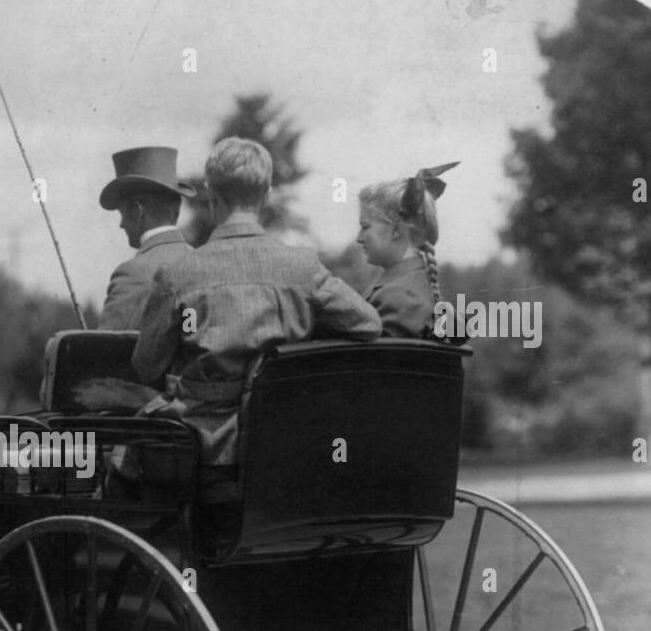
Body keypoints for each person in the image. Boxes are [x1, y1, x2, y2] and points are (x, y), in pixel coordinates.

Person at [132, 137, 382, 469]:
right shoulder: (303, 268)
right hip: (285, 443)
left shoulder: (177, 276)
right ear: (265, 196)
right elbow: (369, 324)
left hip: (202, 454)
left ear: (211, 197)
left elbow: (146, 367)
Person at [98, 146, 196, 331]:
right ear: (177, 209)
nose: (121, 225)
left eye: (122, 213)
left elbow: (105, 351)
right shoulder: (202, 261)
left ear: (137, 211)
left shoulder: (133, 273)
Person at [357, 162, 458, 337]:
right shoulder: (408, 286)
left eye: (365, 227)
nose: (358, 238)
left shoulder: (399, 297)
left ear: (396, 230)